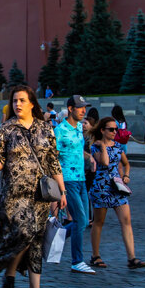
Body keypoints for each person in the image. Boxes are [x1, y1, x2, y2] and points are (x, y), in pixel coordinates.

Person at [0, 85, 66, 288]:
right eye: (15, 100)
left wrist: (61, 191)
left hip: (40, 194)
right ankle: (10, 274)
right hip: (13, 195)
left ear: (32, 104)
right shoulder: (6, 129)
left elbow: (52, 161)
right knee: (24, 233)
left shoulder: (45, 128)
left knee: (36, 240)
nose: (17, 104)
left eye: (22, 100)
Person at [88, 117, 145, 269]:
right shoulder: (95, 147)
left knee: (126, 221)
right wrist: (103, 147)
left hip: (117, 187)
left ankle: (132, 258)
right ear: (102, 130)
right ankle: (95, 255)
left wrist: (126, 175)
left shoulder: (118, 146)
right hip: (101, 188)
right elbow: (105, 163)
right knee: (99, 222)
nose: (115, 132)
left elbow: (126, 164)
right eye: (111, 129)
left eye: (116, 129)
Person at [54, 95, 96, 274]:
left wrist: (90, 157)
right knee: (79, 219)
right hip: (67, 180)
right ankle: (77, 261)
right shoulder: (60, 130)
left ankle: (54, 240)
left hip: (81, 179)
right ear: (70, 109)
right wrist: (60, 187)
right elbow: (53, 157)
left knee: (84, 220)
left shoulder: (79, 127)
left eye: (84, 107)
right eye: (80, 107)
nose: (83, 111)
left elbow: (78, 150)